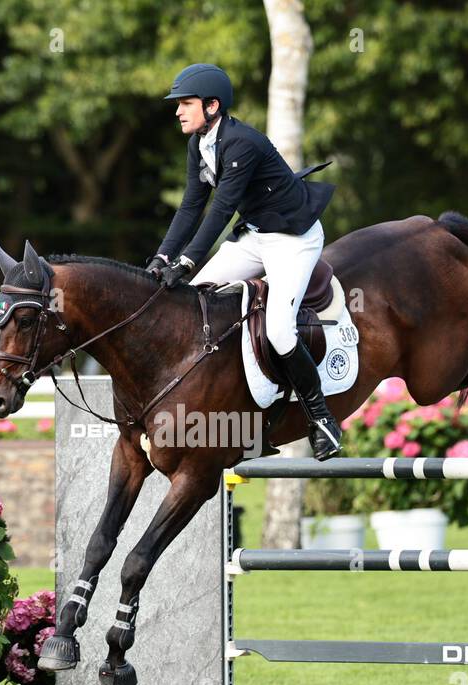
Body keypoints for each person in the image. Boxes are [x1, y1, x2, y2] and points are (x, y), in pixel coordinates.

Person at [145, 63, 341, 460]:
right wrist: (162, 257)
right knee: (194, 298)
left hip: (292, 240)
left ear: (212, 105)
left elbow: (220, 211)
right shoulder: (197, 144)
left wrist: (186, 262)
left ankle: (321, 419)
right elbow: (190, 207)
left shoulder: (242, 143)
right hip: (254, 237)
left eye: (186, 103)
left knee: (280, 331)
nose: (178, 111)